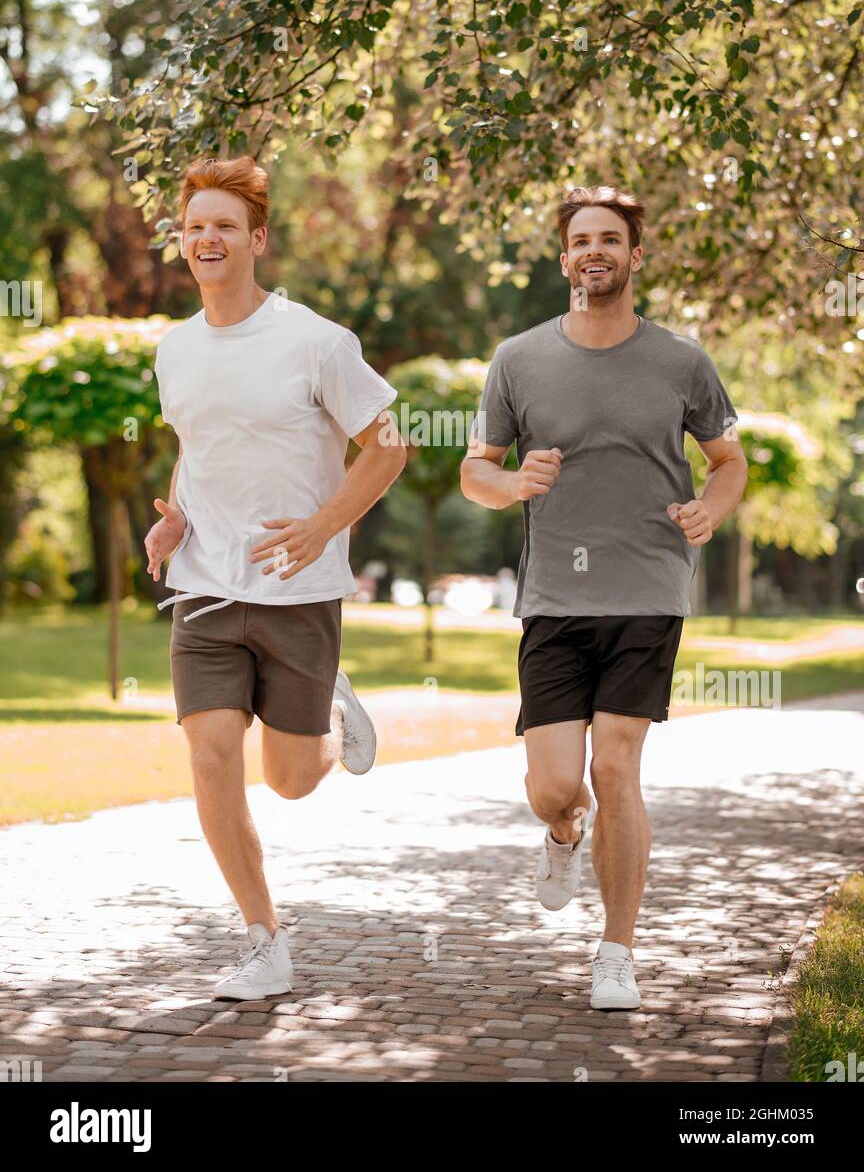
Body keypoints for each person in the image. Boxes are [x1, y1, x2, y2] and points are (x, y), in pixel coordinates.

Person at [460, 185, 747, 1011]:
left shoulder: (682, 361)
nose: (596, 251)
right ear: (564, 260)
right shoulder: (518, 359)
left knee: (617, 767)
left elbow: (729, 461)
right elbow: (476, 471)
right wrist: (513, 481)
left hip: (649, 589)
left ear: (634, 257)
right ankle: (561, 835)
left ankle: (616, 951)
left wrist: (710, 509)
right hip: (552, 598)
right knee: (557, 786)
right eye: (582, 239)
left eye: (611, 239)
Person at [145, 156, 406, 999]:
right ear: (181, 245)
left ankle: (329, 700)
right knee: (212, 755)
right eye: (194, 227)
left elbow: (389, 445)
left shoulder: (318, 343)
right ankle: (264, 939)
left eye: (224, 225)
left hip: (299, 592)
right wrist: (176, 518)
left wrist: (325, 526)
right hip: (205, 589)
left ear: (256, 239)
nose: (207, 238)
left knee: (290, 782)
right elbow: (198, 452)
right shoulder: (174, 351)